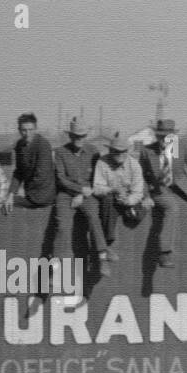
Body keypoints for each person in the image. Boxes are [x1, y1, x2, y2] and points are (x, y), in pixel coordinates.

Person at [139, 118, 187, 269]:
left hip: (179, 188)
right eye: (160, 137)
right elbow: (139, 177)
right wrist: (146, 196)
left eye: (167, 137)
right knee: (172, 206)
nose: (163, 140)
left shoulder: (184, 147)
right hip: (158, 190)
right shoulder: (146, 151)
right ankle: (165, 252)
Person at [52, 117, 109, 273]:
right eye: (76, 136)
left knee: (93, 216)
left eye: (82, 136)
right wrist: (78, 191)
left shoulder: (93, 152)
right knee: (62, 225)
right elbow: (60, 178)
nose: (79, 139)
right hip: (66, 194)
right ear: (70, 136)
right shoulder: (60, 152)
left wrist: (83, 195)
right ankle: (54, 268)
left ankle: (103, 256)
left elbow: (97, 177)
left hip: (87, 193)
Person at [92, 132, 145, 263]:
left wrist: (129, 200)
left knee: (139, 211)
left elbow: (138, 191)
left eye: (124, 151)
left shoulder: (134, 165)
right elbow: (97, 187)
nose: (120, 154)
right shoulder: (102, 162)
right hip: (110, 197)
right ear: (110, 150)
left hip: (129, 196)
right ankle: (108, 244)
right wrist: (112, 190)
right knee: (108, 202)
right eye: (116, 151)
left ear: (128, 151)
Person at [3, 112, 56, 212]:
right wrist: (11, 193)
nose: (27, 134)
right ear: (19, 130)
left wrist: (26, 193)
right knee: (5, 200)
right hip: (30, 194)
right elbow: (19, 172)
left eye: (30, 130)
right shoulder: (19, 145)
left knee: (3, 203)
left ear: (36, 129)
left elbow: (41, 176)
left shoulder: (43, 145)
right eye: (24, 130)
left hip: (43, 195)